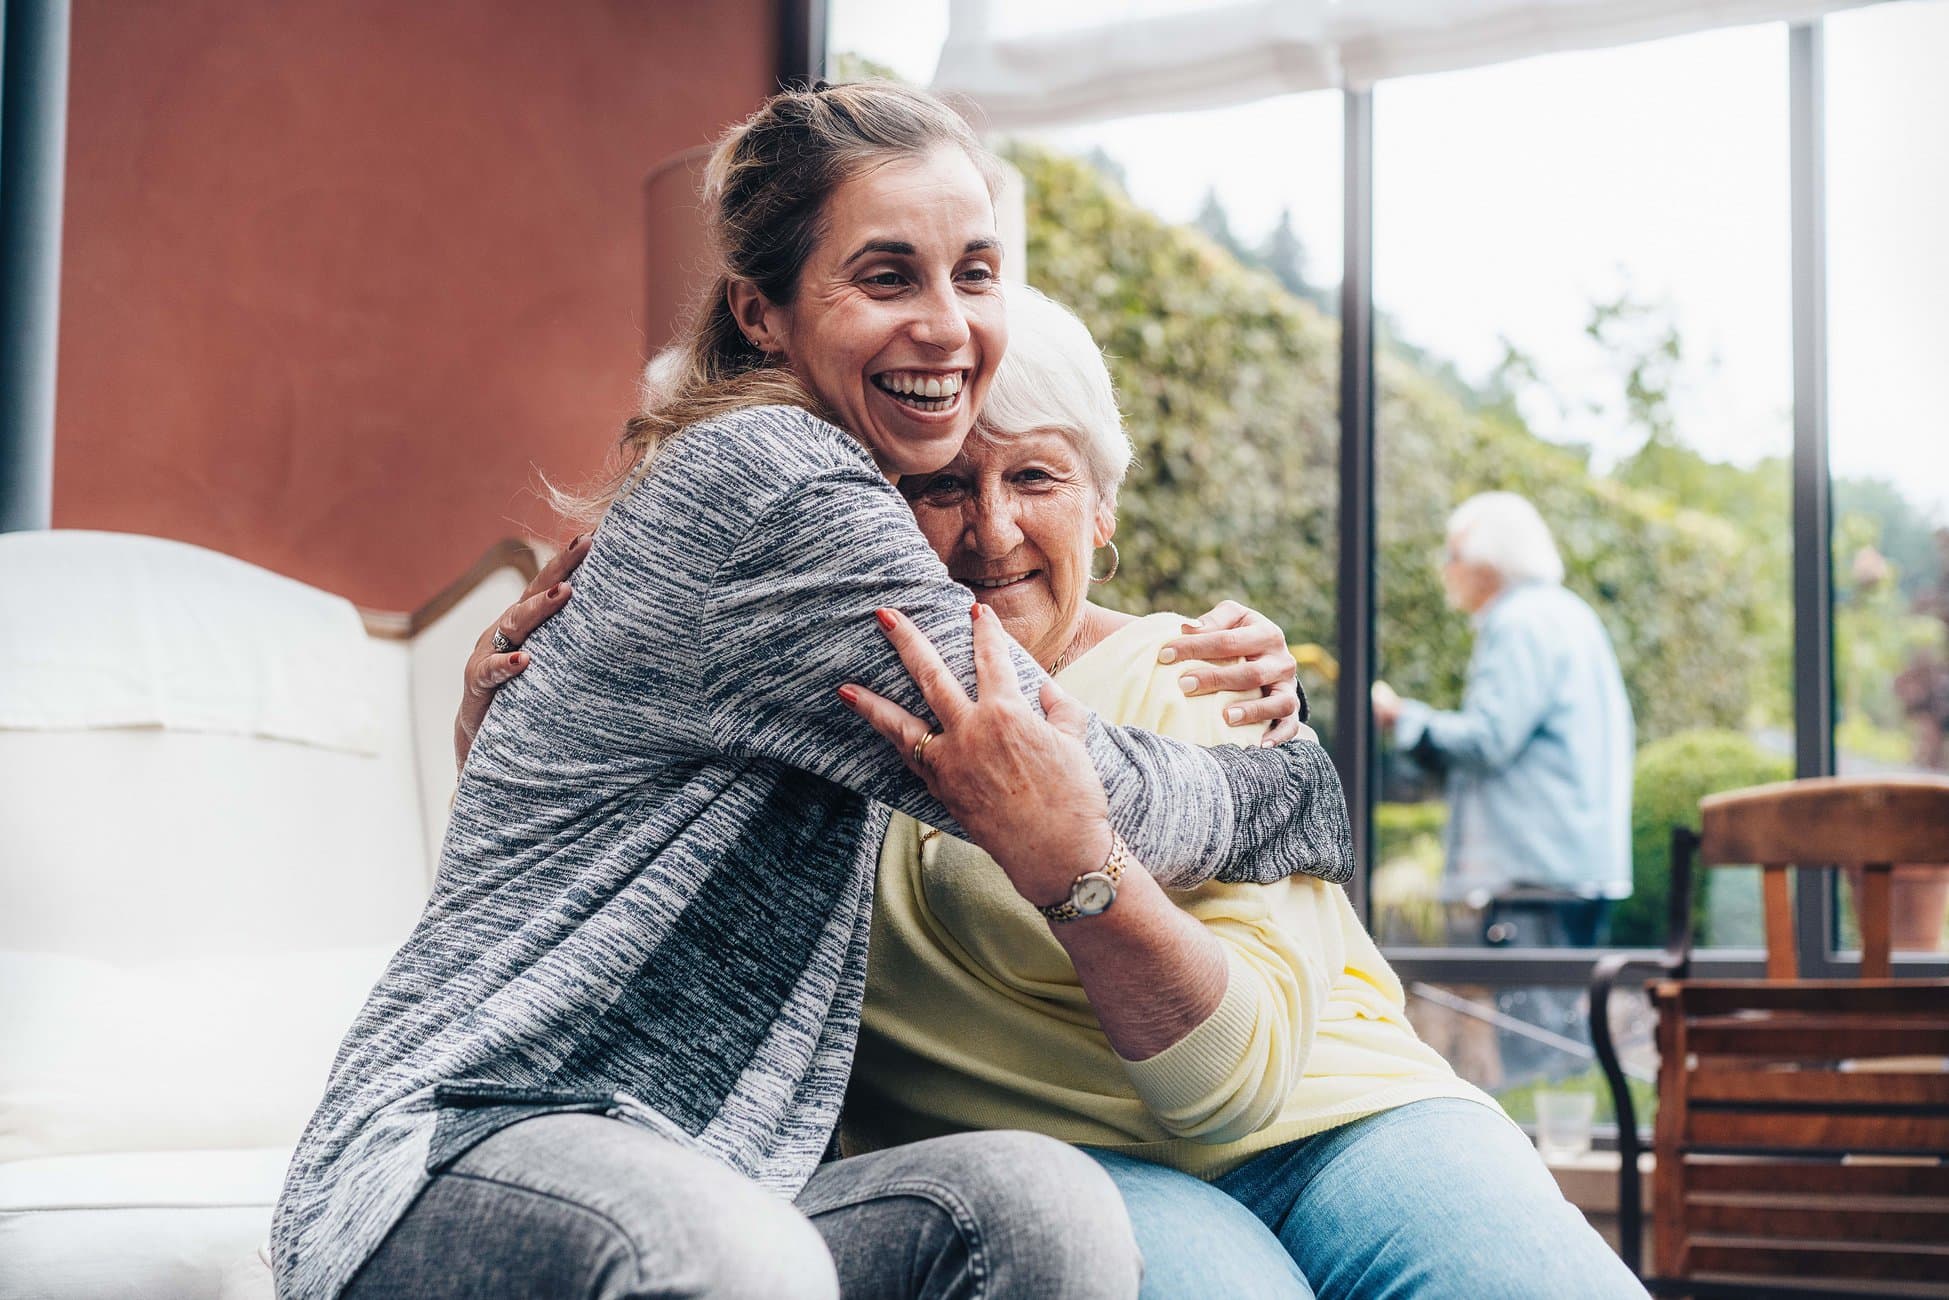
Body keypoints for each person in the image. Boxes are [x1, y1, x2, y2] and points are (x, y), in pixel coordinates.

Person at [272, 81, 1353, 1300]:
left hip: (721, 1167)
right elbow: (1059, 774)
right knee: (729, 1253)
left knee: (1039, 1210)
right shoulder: (777, 485)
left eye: (975, 271)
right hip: (470, 1146)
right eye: (887, 277)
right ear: (764, 312)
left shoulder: (824, 485)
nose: (946, 326)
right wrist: (1299, 786)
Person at [469, 289, 1648, 1300]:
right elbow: (600, 911)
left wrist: (1073, 863)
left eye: (1035, 475)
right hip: (1060, 1169)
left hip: (1341, 1118)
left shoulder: (1198, 675)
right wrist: (506, 740)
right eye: (937, 487)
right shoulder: (791, 722)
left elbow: (1236, 1088)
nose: (990, 531)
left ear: (1101, 509)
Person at [1373, 492, 1634, 949]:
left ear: (1488, 561)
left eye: (1453, 555)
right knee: (1557, 1019)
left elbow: (1489, 740)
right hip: (1574, 867)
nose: (1445, 570)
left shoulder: (1519, 622)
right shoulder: (1569, 614)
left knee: (1531, 1019)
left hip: (1535, 876)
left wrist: (1403, 718)